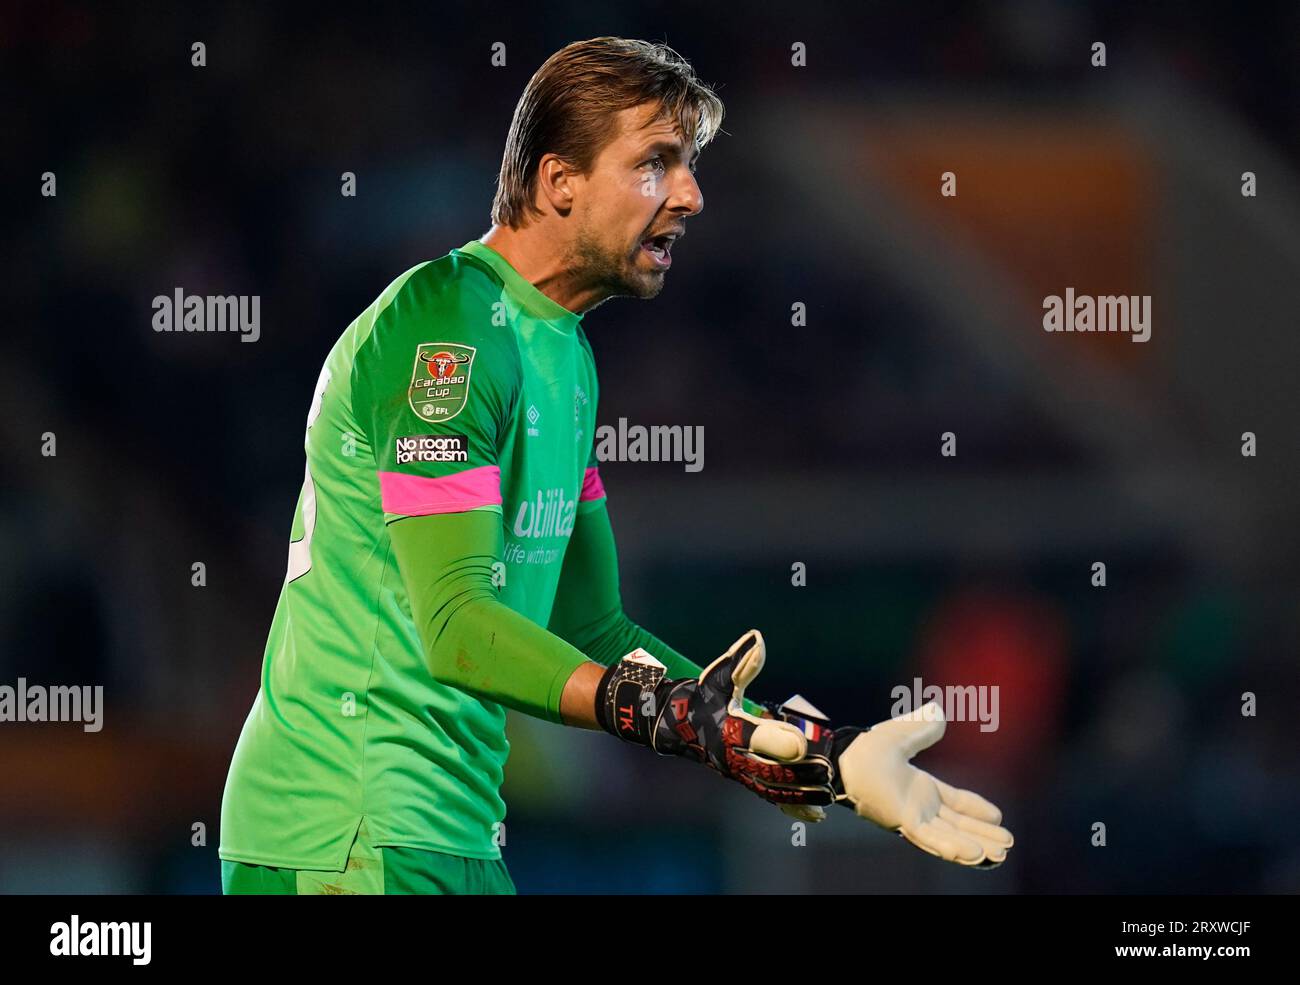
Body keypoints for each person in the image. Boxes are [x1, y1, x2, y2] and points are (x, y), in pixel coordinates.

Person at [219, 36, 1012, 895]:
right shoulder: (443, 327)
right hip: (345, 827)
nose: (691, 195)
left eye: (690, 165)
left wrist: (809, 755)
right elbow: (453, 627)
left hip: (439, 832)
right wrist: (670, 716)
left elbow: (592, 629)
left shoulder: (566, 356)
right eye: (655, 164)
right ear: (559, 181)